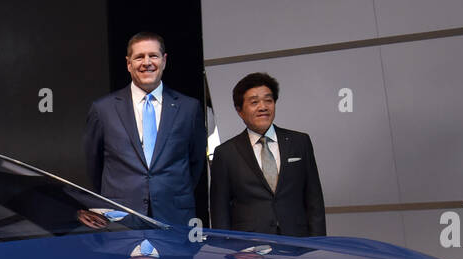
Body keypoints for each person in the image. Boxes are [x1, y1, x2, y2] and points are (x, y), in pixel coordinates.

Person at [84, 32, 207, 230]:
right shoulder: (103, 109)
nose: (147, 62)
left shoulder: (189, 108)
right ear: (128, 63)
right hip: (121, 220)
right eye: (139, 57)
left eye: (153, 56)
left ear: (164, 60)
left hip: (174, 216)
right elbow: (94, 164)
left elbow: (195, 162)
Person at [210, 72, 325, 236]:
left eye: (268, 100)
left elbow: (314, 201)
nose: (263, 107)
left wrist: (318, 246)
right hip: (249, 248)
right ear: (239, 110)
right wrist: (227, 251)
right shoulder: (225, 153)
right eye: (254, 102)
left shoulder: (300, 142)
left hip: (298, 242)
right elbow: (220, 211)